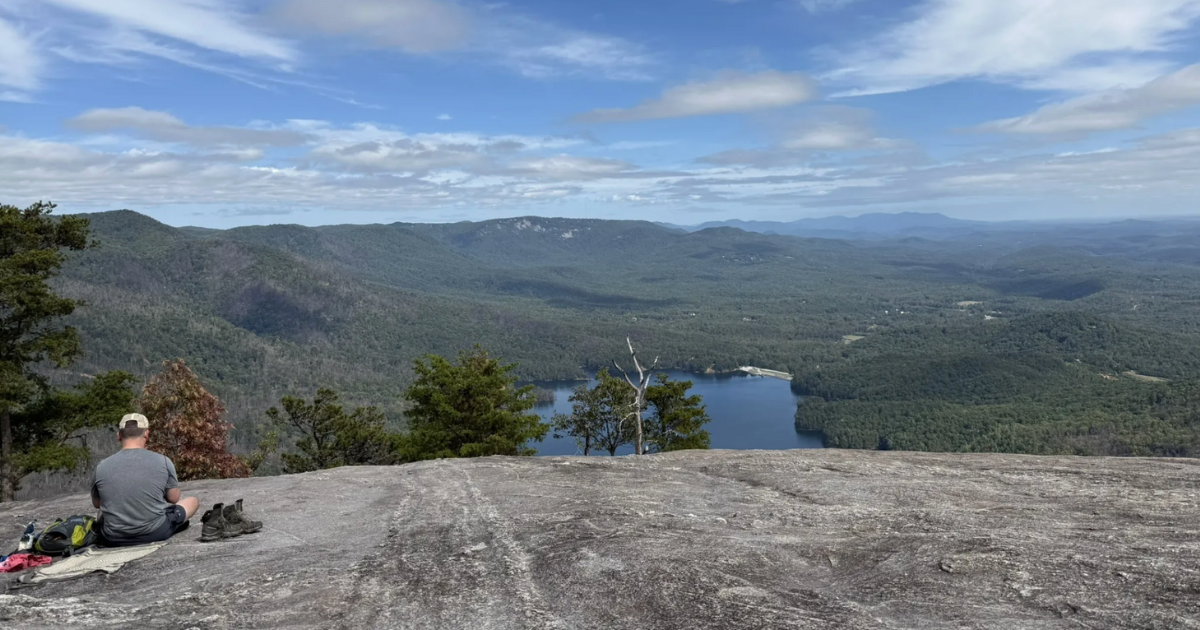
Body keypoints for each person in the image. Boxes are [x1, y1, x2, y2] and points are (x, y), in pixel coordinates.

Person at [91, 413, 200, 546]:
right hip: (156, 531)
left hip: (113, 537)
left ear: (119, 436)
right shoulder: (163, 461)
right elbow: (173, 498)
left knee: (103, 511)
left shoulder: (101, 466)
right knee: (193, 501)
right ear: (146, 434)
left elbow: (97, 503)